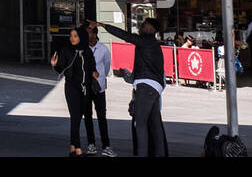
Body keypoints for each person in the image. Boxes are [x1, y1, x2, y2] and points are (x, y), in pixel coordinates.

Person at [98, 17, 167, 157]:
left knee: (140, 124)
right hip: (153, 88)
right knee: (155, 125)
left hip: (146, 87)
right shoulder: (152, 44)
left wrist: (104, 25)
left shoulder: (146, 41)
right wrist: (127, 75)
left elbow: (125, 36)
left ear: (151, 29)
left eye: (144, 25)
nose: (141, 27)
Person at [51, 27, 97, 156]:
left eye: (75, 36)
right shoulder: (66, 50)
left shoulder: (87, 51)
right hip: (71, 88)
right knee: (75, 117)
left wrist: (94, 73)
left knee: (80, 117)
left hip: (85, 88)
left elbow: (92, 66)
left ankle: (73, 146)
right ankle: (76, 148)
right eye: (71, 36)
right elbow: (60, 69)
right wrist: (54, 65)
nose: (72, 38)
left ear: (81, 37)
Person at [86, 24, 116, 156]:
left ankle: (106, 145)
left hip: (99, 87)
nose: (87, 35)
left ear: (95, 34)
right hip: (85, 87)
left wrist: (101, 78)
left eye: (89, 33)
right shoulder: (82, 49)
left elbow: (107, 65)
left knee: (101, 116)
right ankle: (91, 144)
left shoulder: (103, 49)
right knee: (87, 116)